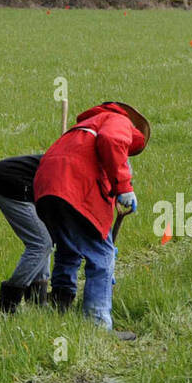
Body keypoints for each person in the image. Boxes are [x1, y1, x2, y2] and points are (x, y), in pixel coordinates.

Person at [33, 101, 150, 337]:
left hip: (45, 187)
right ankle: (97, 327)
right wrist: (124, 187)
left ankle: (60, 309)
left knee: (69, 248)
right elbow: (112, 141)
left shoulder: (85, 127)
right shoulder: (119, 121)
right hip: (74, 186)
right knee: (102, 256)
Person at [0, 154, 51, 311]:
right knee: (41, 243)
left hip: (22, 184)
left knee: (46, 239)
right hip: (9, 183)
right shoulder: (74, 171)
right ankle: (9, 303)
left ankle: (37, 302)